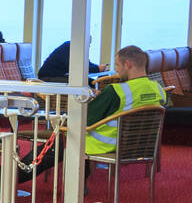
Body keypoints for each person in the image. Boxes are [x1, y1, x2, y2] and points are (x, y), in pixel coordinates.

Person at [18, 45, 166, 183]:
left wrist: (96, 100)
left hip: (104, 144)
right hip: (139, 146)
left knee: (63, 139)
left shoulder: (117, 91)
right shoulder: (158, 89)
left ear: (127, 64)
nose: (116, 71)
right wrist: (104, 98)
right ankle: (81, 182)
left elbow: (86, 118)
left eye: (117, 66)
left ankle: (6, 179)